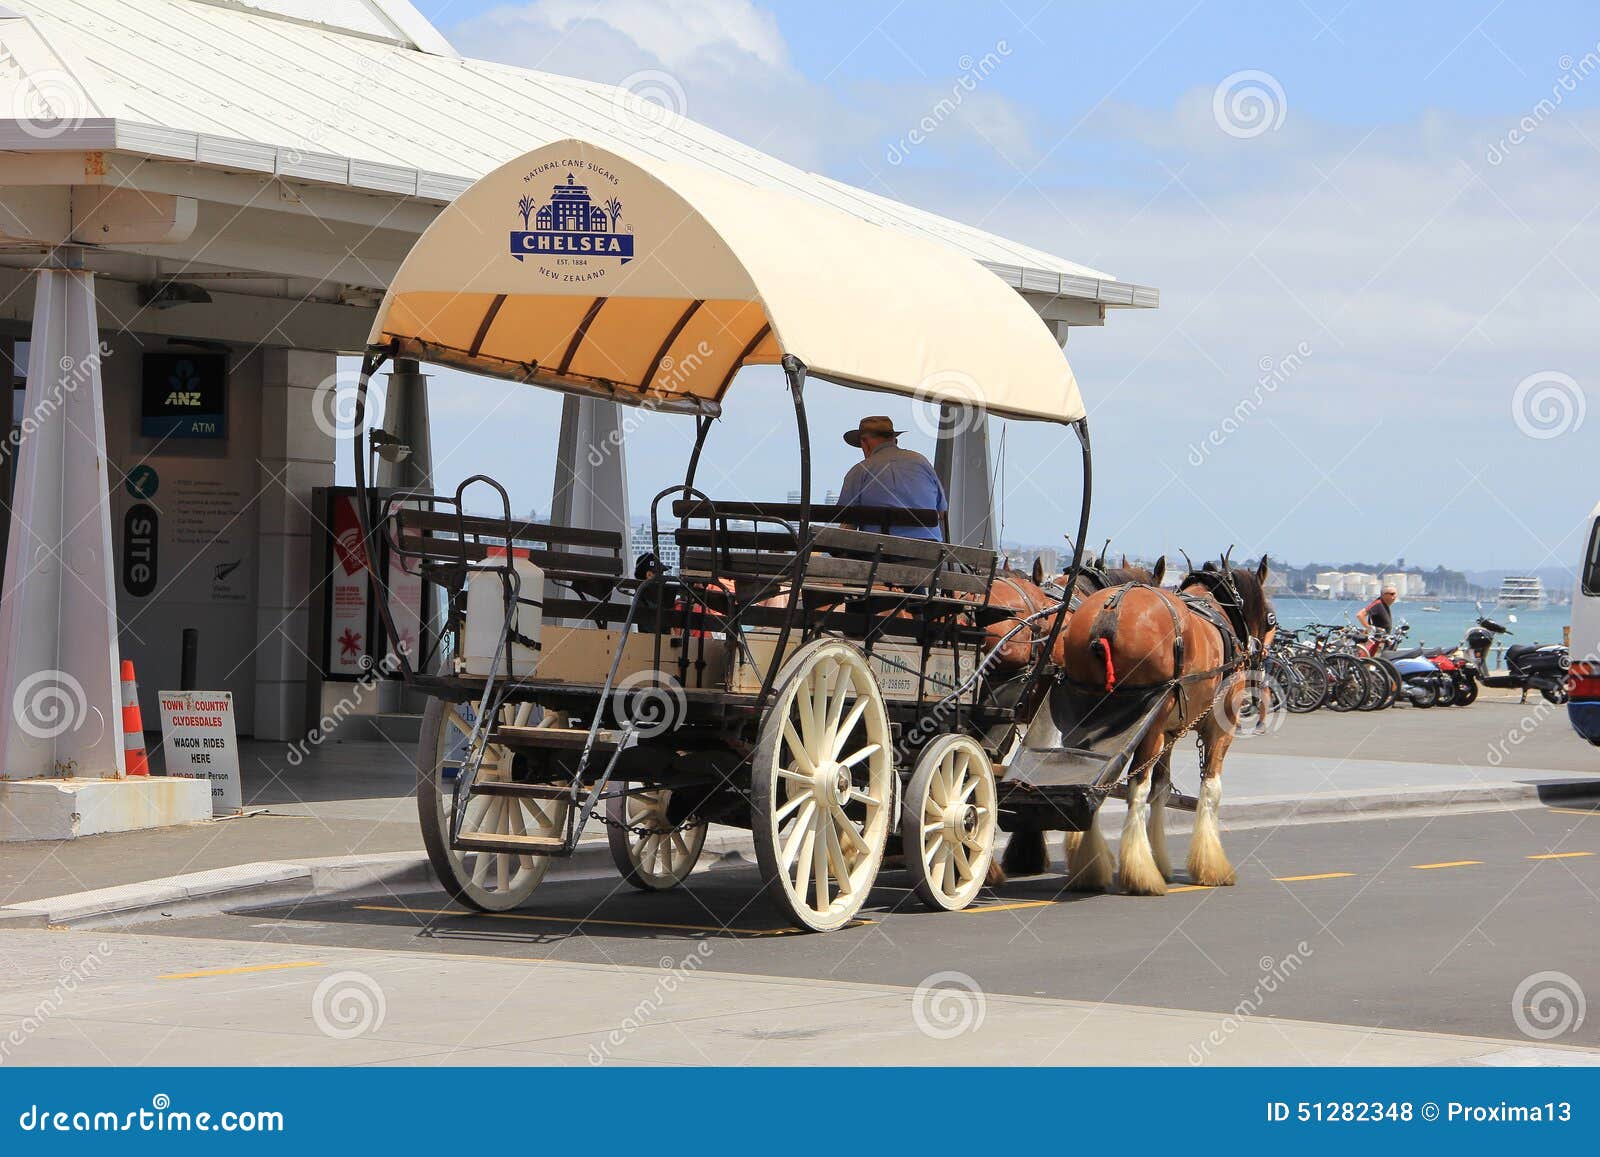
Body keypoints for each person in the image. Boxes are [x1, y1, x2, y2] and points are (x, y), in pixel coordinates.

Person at [835, 416, 947, 541]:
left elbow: (846, 519)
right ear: (895, 440)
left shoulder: (859, 471)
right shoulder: (922, 462)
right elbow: (942, 513)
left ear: (864, 442)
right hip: (929, 553)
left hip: (879, 553)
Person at [1356, 583, 1398, 655]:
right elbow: (1360, 615)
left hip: (1382, 640)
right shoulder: (1378, 604)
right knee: (1368, 662)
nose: (1394, 596)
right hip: (1376, 641)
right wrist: (1369, 629)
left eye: (1395, 594)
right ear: (1384, 594)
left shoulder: (1384, 605)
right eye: (1392, 594)